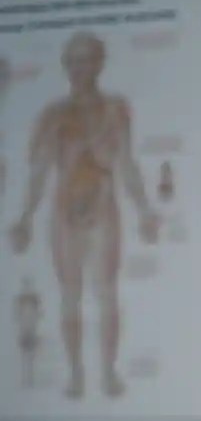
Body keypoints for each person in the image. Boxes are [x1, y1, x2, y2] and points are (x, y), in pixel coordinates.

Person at [9, 31, 160, 399]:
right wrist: (25, 216)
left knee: (107, 292)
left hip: (104, 205)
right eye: (74, 61)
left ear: (99, 63)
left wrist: (144, 209)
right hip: (64, 210)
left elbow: (126, 162)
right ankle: (76, 373)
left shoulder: (115, 108)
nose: (80, 68)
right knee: (70, 293)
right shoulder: (54, 115)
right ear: (65, 66)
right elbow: (41, 169)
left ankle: (107, 371)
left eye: (87, 59)